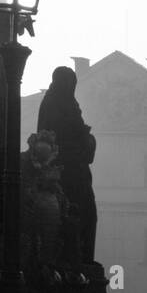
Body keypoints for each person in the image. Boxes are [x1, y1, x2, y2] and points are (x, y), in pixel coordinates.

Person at [37, 66, 98, 263]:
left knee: (79, 217)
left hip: (67, 171)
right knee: (80, 216)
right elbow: (73, 135)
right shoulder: (63, 104)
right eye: (70, 83)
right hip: (69, 173)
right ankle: (78, 259)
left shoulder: (55, 102)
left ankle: (77, 258)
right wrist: (87, 141)